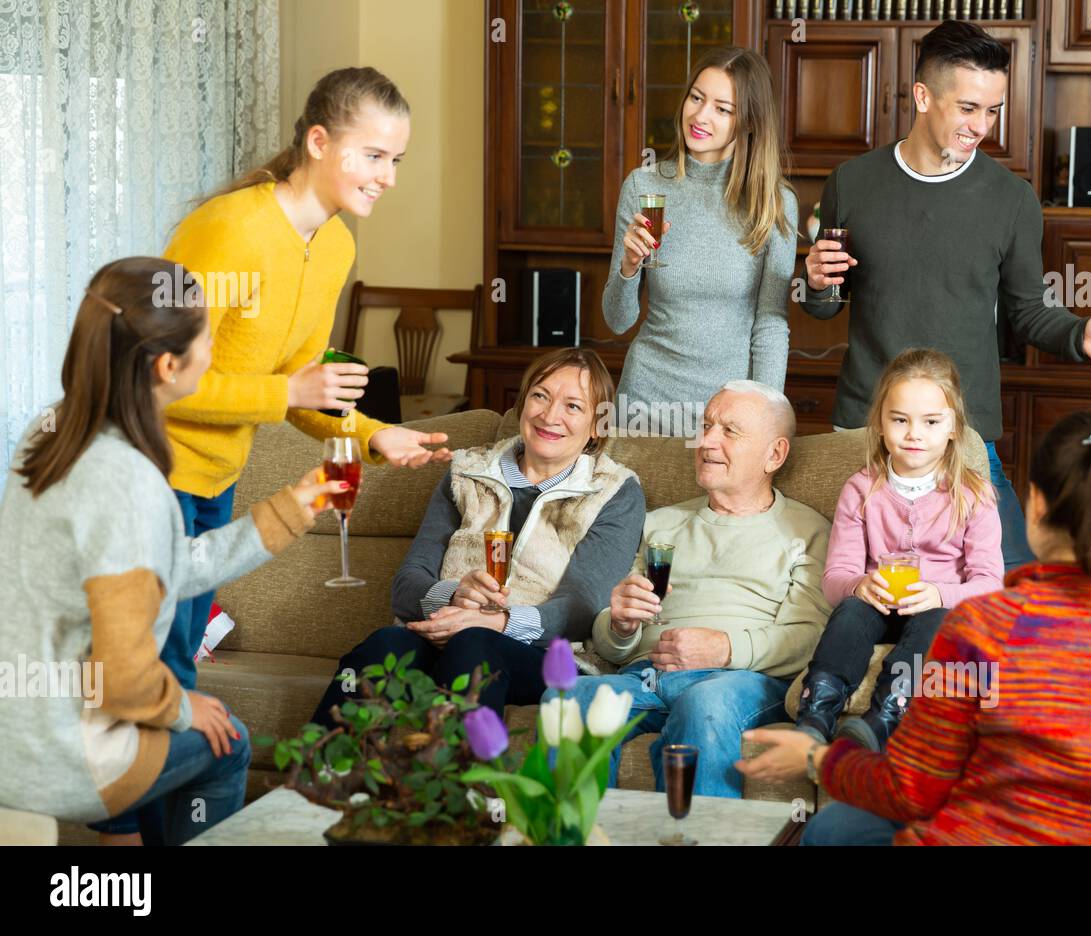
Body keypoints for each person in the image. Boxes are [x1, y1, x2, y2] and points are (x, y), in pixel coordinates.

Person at [0, 258, 347, 845]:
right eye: (208, 339)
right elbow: (124, 681)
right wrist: (186, 708)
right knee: (228, 741)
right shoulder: (128, 479)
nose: (214, 353)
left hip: (14, 728)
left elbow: (171, 570)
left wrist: (291, 508)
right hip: (62, 753)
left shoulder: (50, 432)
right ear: (167, 365)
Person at [740, 411, 1091, 846]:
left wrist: (815, 758)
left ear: (1035, 506)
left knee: (830, 828)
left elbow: (910, 789)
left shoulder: (982, 626)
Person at [801, 20, 1091, 572]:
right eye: (967, 108)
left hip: (965, 431)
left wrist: (1082, 334)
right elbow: (824, 303)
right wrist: (816, 281)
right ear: (922, 96)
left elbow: (1028, 313)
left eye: (992, 111)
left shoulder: (1011, 199)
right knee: (856, 584)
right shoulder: (852, 182)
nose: (980, 126)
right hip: (867, 427)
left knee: (1003, 581)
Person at [160, 66, 451, 696]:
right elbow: (157, 381)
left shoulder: (336, 244)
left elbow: (302, 384)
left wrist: (377, 436)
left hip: (215, 478)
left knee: (179, 674)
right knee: (152, 679)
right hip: (150, 477)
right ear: (319, 143)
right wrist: (290, 392)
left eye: (396, 158)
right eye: (373, 155)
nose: (388, 177)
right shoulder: (229, 229)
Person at [311, 348, 645, 722]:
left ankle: (460, 780)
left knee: (475, 645)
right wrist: (453, 596)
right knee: (384, 646)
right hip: (445, 633)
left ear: (597, 426)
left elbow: (582, 607)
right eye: (540, 396)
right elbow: (406, 584)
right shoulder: (466, 472)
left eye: (573, 406)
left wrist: (498, 623)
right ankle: (321, 775)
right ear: (522, 402)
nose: (550, 416)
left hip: (551, 658)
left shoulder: (614, 491)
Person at [546, 381, 832, 798]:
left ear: (775, 454)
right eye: (705, 425)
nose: (706, 440)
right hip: (644, 676)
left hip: (743, 680)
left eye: (729, 431)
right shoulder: (659, 523)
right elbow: (610, 644)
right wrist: (620, 624)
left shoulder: (807, 531)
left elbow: (809, 637)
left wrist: (726, 648)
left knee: (706, 703)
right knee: (573, 697)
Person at [794, 349, 1002, 750]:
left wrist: (939, 593)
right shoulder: (861, 489)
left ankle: (888, 711)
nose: (914, 434)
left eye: (931, 422)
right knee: (852, 609)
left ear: (953, 427)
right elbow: (835, 577)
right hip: (879, 604)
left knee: (937, 619)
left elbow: (990, 584)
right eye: (900, 420)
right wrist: (860, 585)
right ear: (879, 423)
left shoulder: (974, 495)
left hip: (939, 610)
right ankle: (817, 709)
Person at [603, 46, 797, 434]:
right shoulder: (644, 186)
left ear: (749, 122)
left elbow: (770, 327)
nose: (701, 115)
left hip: (724, 414)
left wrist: (761, 420)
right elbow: (617, 321)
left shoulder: (772, 204)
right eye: (696, 97)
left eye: (722, 109)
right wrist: (628, 267)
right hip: (643, 402)